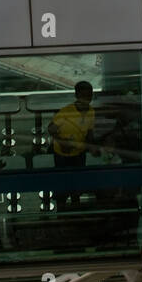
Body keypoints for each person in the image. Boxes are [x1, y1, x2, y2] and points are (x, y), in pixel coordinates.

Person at [48, 81, 100, 209]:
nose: (87, 99)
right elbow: (51, 129)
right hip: (62, 154)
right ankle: (62, 211)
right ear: (77, 96)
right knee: (62, 185)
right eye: (84, 96)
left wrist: (93, 147)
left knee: (77, 185)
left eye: (89, 96)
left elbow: (89, 132)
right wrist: (63, 143)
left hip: (79, 153)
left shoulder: (91, 112)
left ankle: (75, 210)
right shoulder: (66, 112)